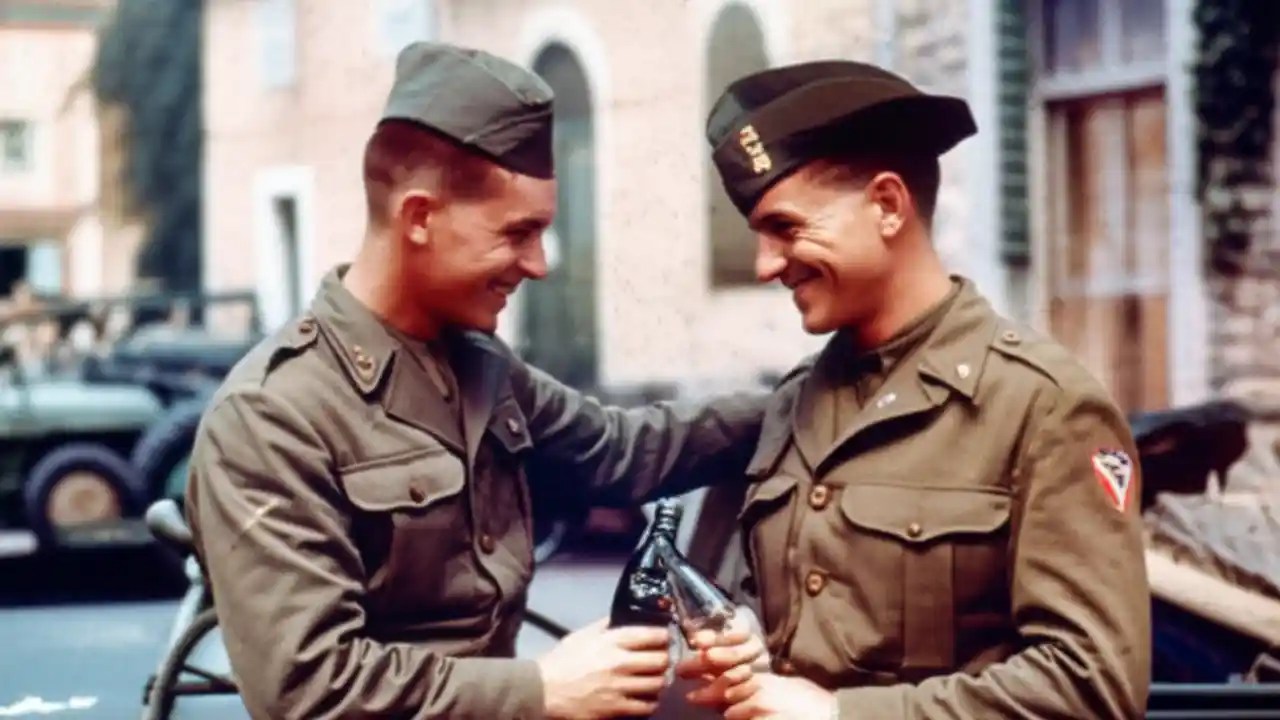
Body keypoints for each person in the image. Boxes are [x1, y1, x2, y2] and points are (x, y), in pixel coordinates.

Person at [185, 41, 764, 720]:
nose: (539, 264)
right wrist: (543, 691)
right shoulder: (272, 416)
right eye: (518, 233)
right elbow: (309, 689)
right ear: (420, 217)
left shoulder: (478, 366)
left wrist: (815, 397)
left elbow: (624, 451)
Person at [675, 60, 1152, 719]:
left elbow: (1092, 685)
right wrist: (750, 647)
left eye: (785, 228)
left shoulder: (1043, 406)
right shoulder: (796, 402)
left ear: (889, 206)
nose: (764, 266)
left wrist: (842, 716)